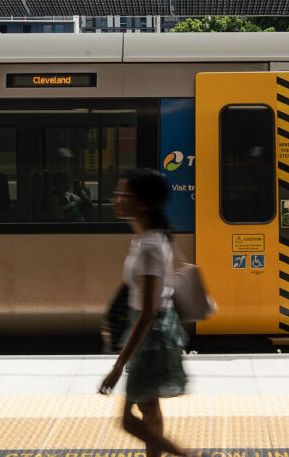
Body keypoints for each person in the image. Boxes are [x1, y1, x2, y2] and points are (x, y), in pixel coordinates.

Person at [98, 168, 188, 457]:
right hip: (149, 331)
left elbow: (148, 312)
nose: (116, 200)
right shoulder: (148, 237)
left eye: (124, 195)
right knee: (149, 409)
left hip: (151, 334)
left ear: (144, 203)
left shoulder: (149, 245)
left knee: (128, 420)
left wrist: (117, 367)